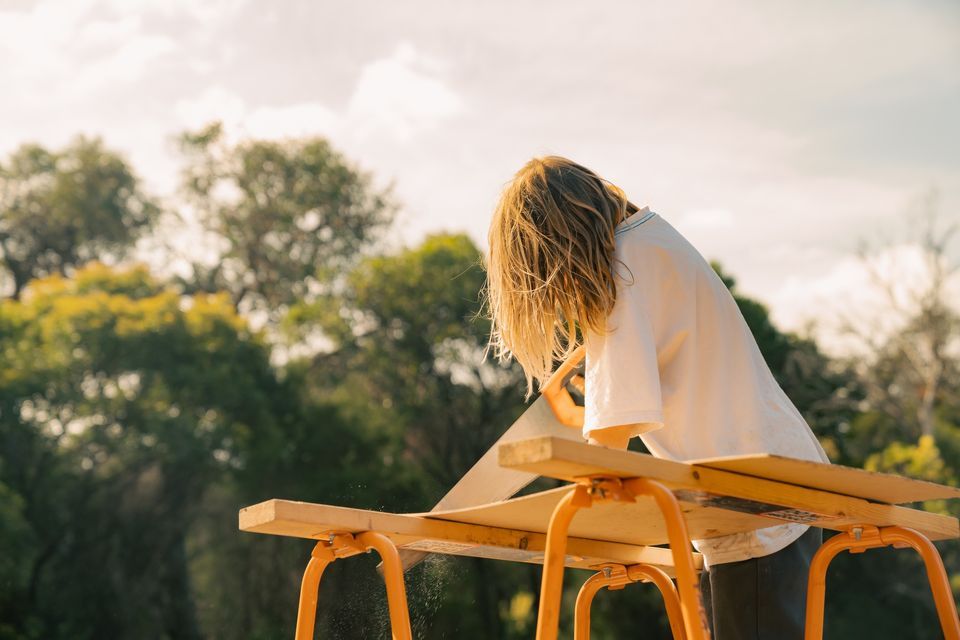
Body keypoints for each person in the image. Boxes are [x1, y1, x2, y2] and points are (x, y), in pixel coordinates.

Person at [483, 155, 830, 639]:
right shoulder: (651, 240)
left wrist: (587, 443)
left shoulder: (619, 275)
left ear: (554, 248)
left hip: (753, 506)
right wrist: (590, 411)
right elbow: (652, 398)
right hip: (772, 484)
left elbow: (609, 450)